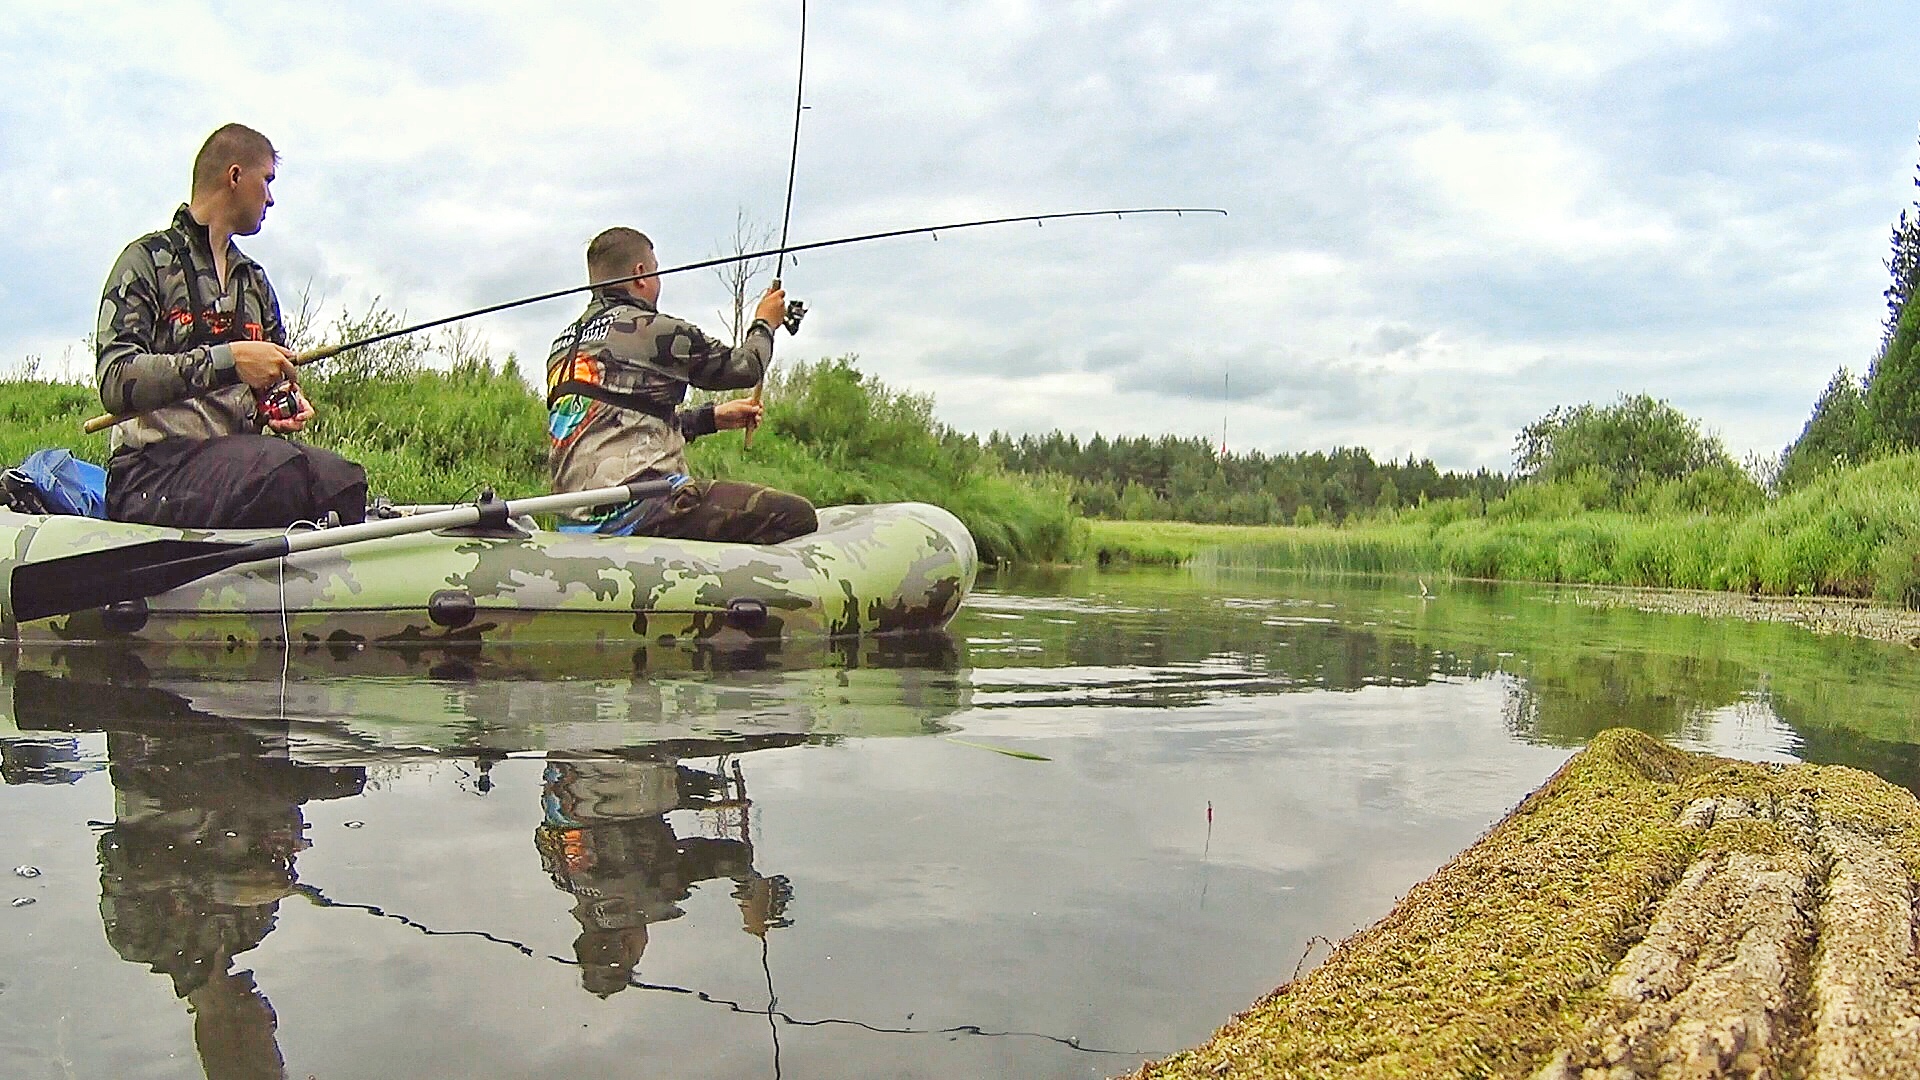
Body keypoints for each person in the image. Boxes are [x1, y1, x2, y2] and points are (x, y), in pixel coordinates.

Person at [96, 123, 367, 528]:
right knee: (282, 474)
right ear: (235, 176)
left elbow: (272, 384)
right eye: (267, 180)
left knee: (341, 480)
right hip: (151, 471)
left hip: (239, 463)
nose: (271, 198)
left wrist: (279, 403)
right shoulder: (146, 261)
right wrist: (231, 361)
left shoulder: (254, 282)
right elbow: (115, 380)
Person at [546, 227, 817, 543]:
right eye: (656, 270)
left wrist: (710, 419)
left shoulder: (562, 346)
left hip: (575, 520)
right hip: (640, 507)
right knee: (795, 515)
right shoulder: (653, 330)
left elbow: (617, 424)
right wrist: (765, 323)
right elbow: (746, 368)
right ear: (640, 274)